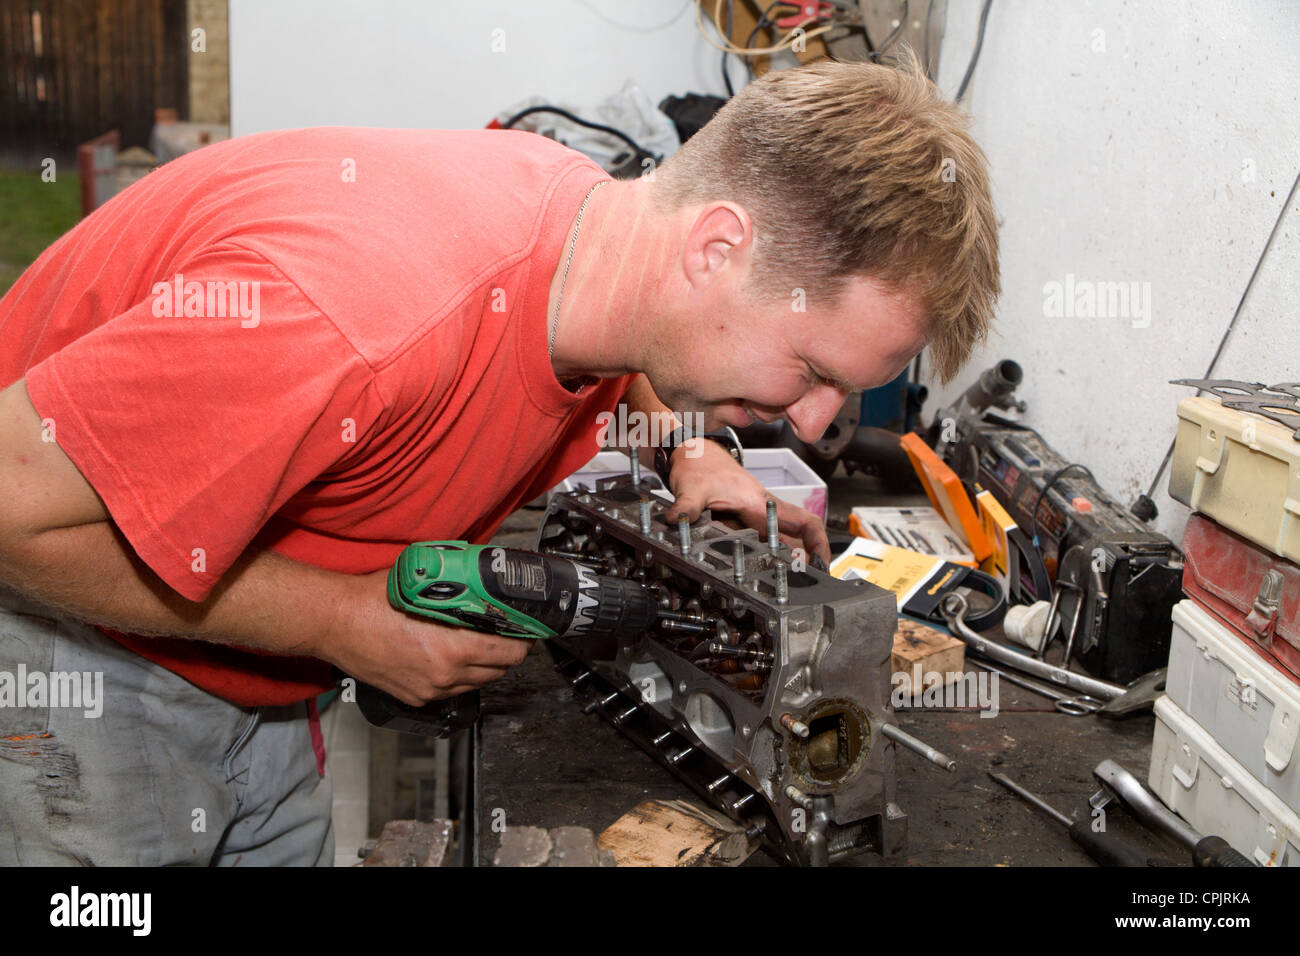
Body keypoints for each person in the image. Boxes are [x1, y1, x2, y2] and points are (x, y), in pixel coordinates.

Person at [0, 54, 998, 865]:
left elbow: (619, 337)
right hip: (86, 641)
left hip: (253, 653)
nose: (815, 420)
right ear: (718, 247)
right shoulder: (352, 319)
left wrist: (686, 446)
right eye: (812, 368)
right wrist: (346, 620)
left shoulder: (598, 234)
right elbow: (10, 507)